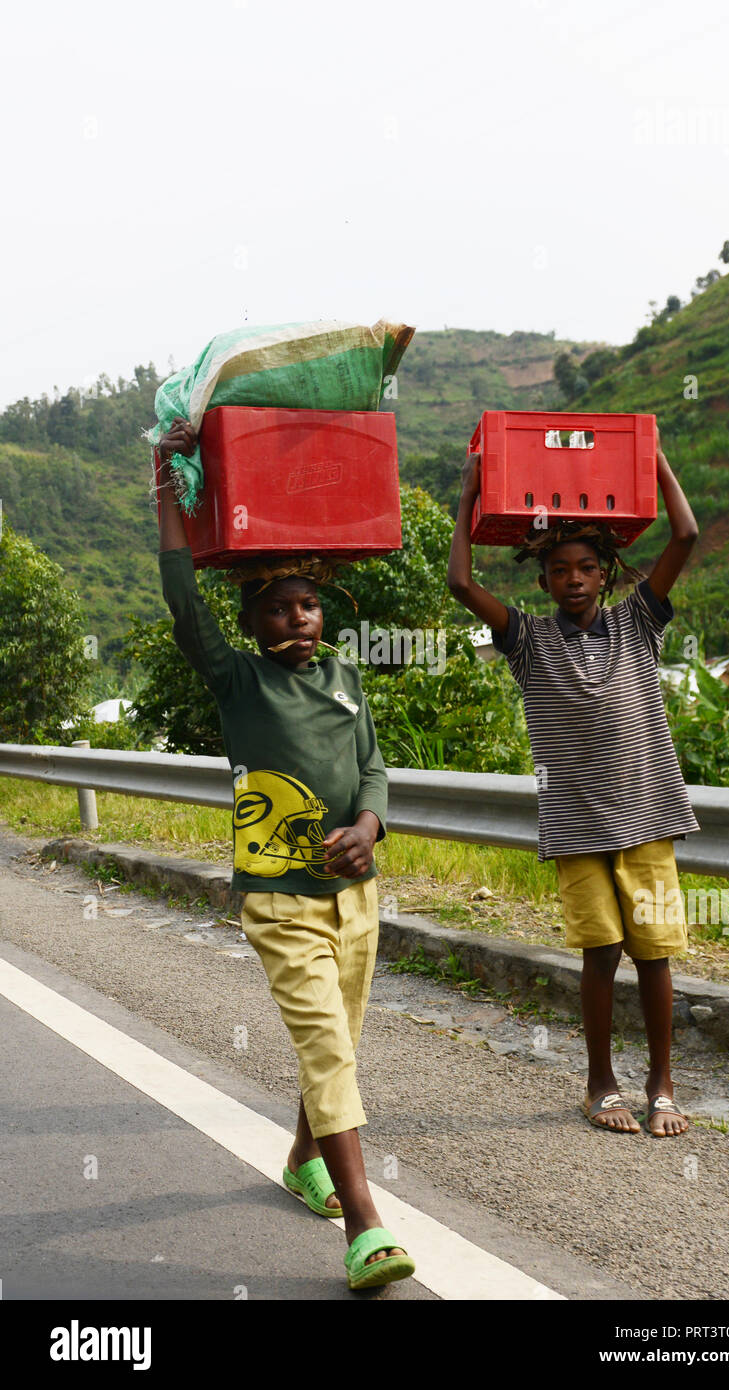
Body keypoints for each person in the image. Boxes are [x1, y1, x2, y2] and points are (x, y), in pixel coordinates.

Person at [156, 416, 415, 1288]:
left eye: (307, 604)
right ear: (253, 618)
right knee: (329, 1050)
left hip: (357, 895)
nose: (297, 618)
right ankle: (366, 1225)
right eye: (278, 607)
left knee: (336, 1045)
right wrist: (168, 493)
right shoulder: (238, 678)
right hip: (280, 897)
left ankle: (303, 1153)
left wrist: (371, 826)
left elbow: (373, 768)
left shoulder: (346, 678)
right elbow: (182, 602)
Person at [447, 424, 699, 1137]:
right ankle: (599, 1084)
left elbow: (685, 535)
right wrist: (467, 494)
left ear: (608, 572)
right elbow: (461, 582)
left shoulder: (638, 623)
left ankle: (662, 1085)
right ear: (544, 581)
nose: (575, 579)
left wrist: (652, 457)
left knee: (655, 954)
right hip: (578, 825)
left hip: (647, 815)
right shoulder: (528, 641)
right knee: (601, 954)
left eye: (587, 568)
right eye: (561, 571)